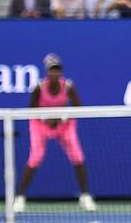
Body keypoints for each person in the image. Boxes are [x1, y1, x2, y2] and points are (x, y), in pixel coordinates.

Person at [13, 54, 95, 213]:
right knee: (35, 157)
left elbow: (78, 107)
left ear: (61, 72)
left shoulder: (68, 86)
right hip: (40, 124)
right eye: (52, 70)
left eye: (57, 70)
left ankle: (85, 196)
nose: (55, 73)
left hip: (64, 125)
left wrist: (61, 117)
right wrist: (46, 118)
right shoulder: (39, 87)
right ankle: (20, 198)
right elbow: (31, 109)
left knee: (77, 157)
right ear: (47, 73)